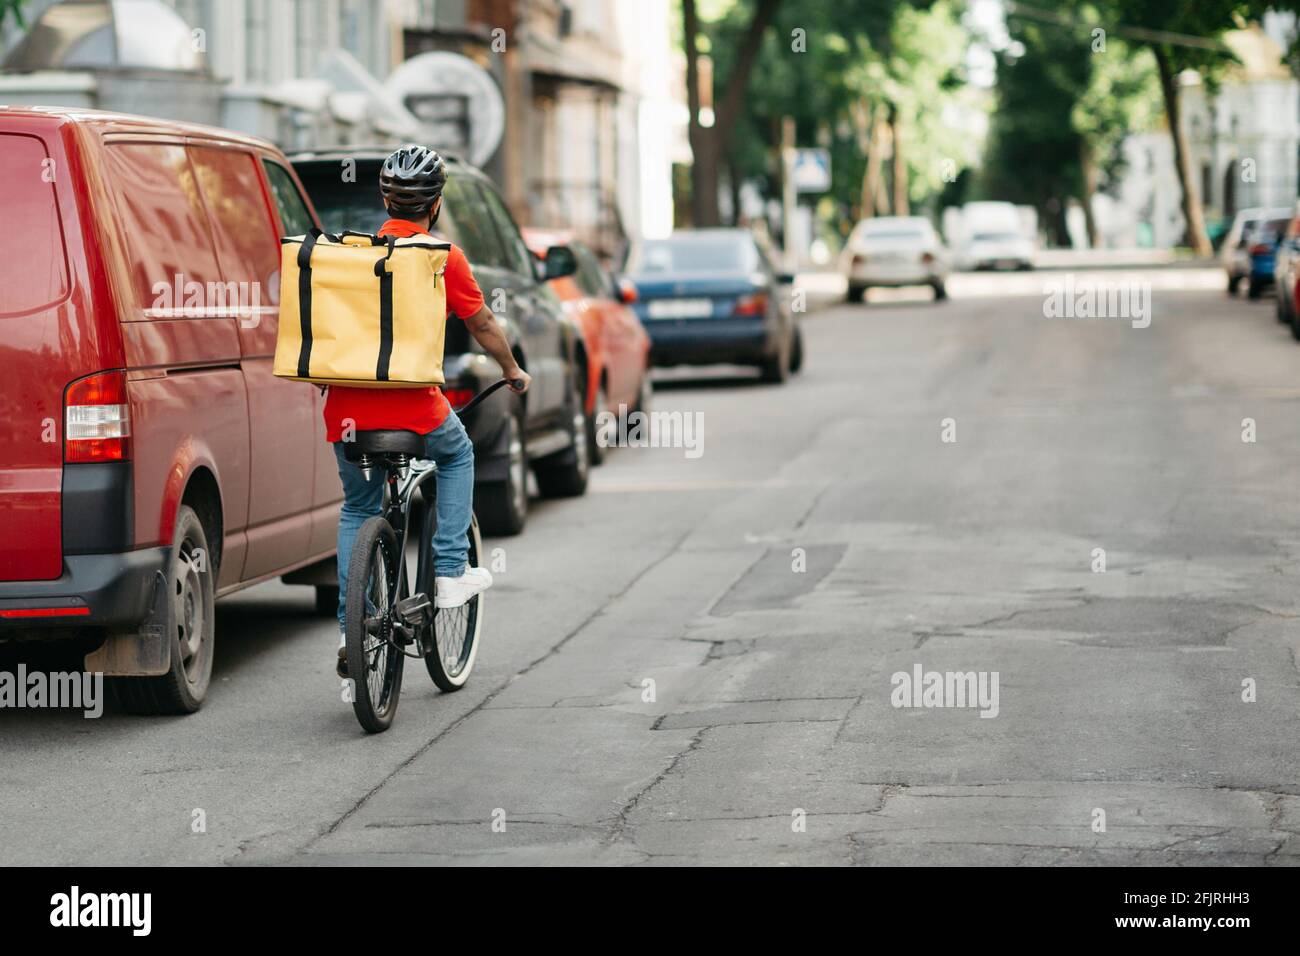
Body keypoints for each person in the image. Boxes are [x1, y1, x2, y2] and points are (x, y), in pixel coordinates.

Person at [329, 145, 531, 678]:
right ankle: (448, 572)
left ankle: (354, 620)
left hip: (346, 410)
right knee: (459, 453)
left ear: (385, 200)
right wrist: (511, 369)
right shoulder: (442, 256)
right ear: (435, 204)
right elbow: (484, 324)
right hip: (415, 408)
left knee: (357, 508)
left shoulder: (353, 256)